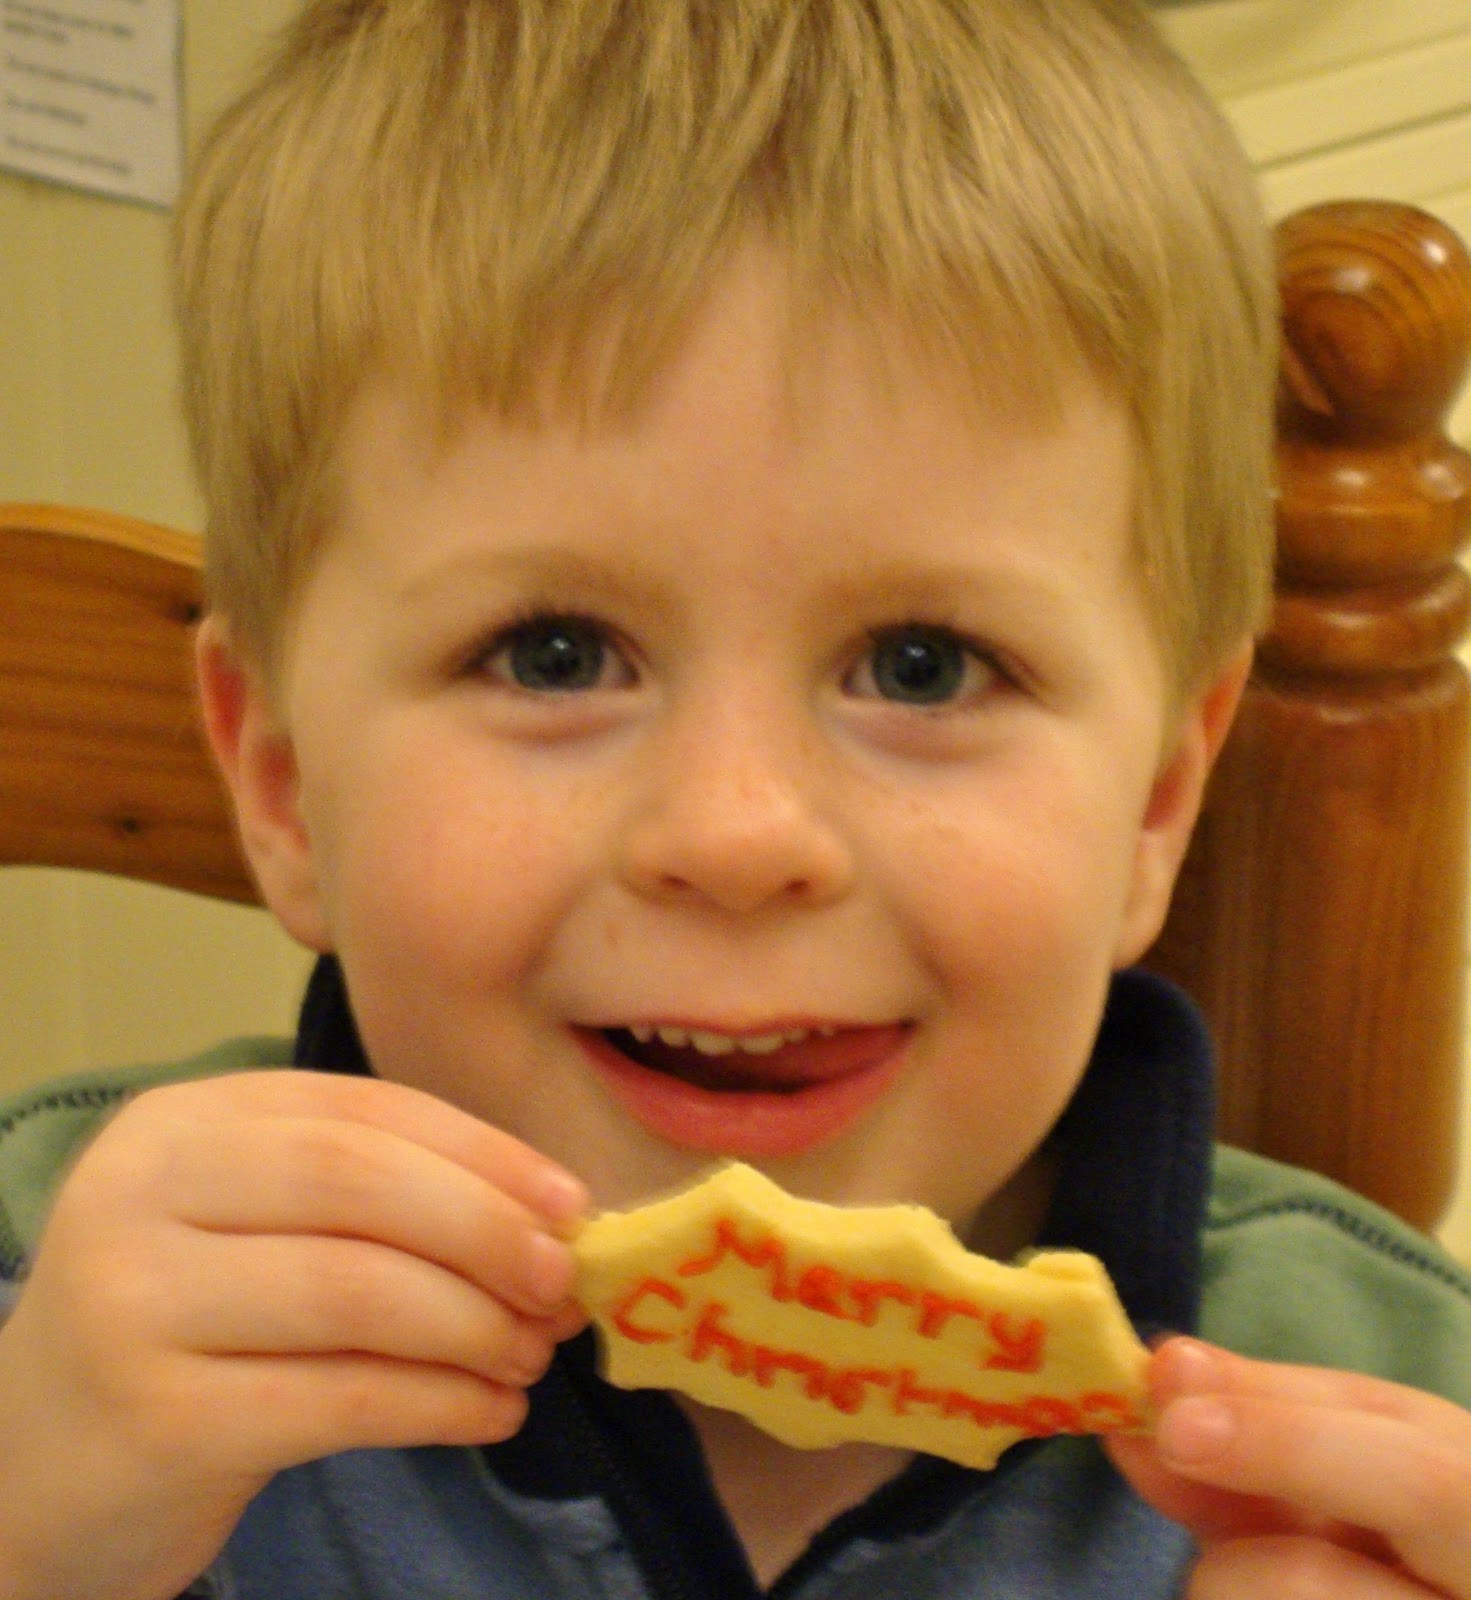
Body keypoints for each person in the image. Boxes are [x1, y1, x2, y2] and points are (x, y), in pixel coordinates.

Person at [1, 0, 1469, 1595]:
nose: (737, 833)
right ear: (280, 783)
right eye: (554, 654)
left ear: (1154, 807)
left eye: (924, 665)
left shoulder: (1384, 1415)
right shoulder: (58, 1317)